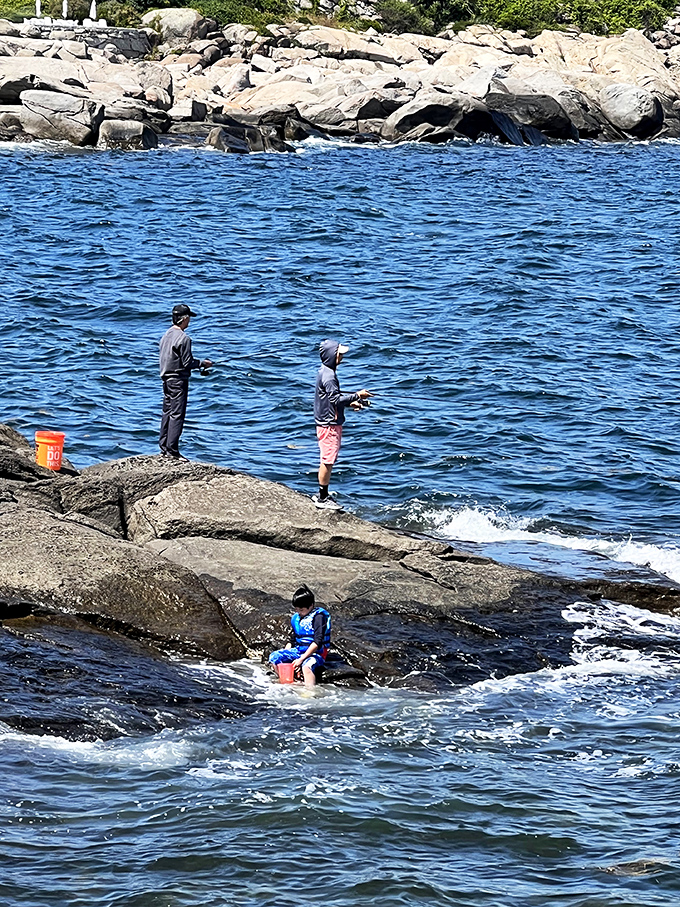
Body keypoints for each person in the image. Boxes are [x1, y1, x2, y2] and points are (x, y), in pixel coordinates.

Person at [313, 338, 373, 510]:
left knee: (328, 458)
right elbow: (335, 398)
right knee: (328, 460)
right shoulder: (330, 377)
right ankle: (323, 498)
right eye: (340, 354)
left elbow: (331, 399)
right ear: (332, 355)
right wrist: (357, 396)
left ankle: (322, 494)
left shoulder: (324, 371)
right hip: (329, 424)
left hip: (327, 421)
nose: (342, 357)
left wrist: (349, 403)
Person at [158, 303, 213, 460]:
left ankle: (164, 447)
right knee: (177, 414)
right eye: (189, 318)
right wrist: (203, 363)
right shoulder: (184, 338)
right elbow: (187, 362)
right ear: (185, 318)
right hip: (178, 381)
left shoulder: (165, 335)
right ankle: (173, 451)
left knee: (167, 412)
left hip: (166, 379)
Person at [268, 584, 331, 688]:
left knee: (306, 666)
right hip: (298, 651)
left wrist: (301, 660)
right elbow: (292, 639)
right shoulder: (297, 618)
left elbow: (317, 642)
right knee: (274, 657)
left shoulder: (319, 617)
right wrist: (287, 654)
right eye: (297, 609)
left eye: (301, 610)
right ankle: (285, 681)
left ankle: (309, 691)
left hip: (316, 653)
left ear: (311, 606)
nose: (299, 613)